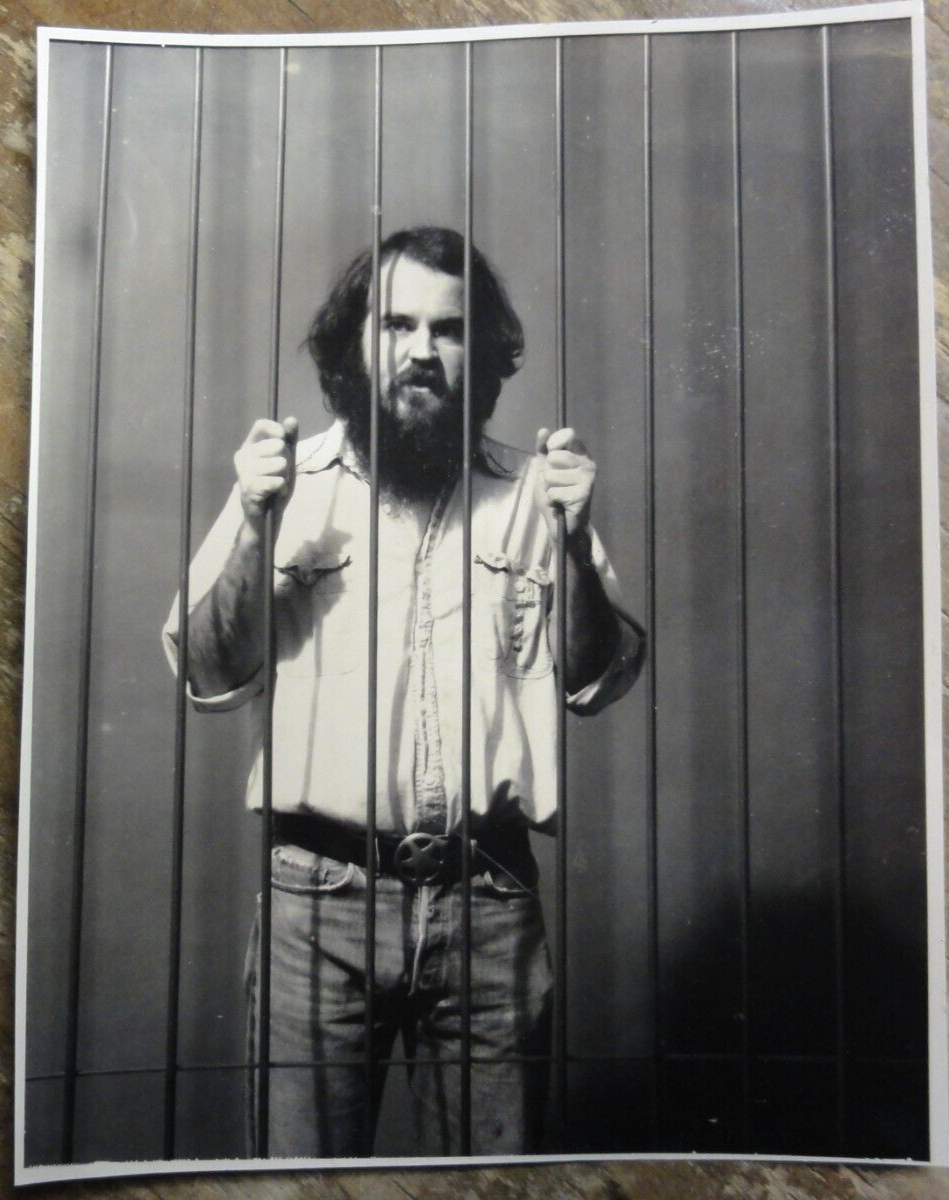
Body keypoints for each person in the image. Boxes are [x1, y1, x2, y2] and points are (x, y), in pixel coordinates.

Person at [162, 226, 644, 1158]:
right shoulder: (285, 484)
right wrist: (256, 527)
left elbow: (594, 678)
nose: (422, 351)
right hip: (317, 907)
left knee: (496, 1187)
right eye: (397, 325)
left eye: (449, 329)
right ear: (356, 342)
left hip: (489, 908)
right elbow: (206, 670)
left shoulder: (537, 493)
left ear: (484, 352)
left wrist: (577, 543)